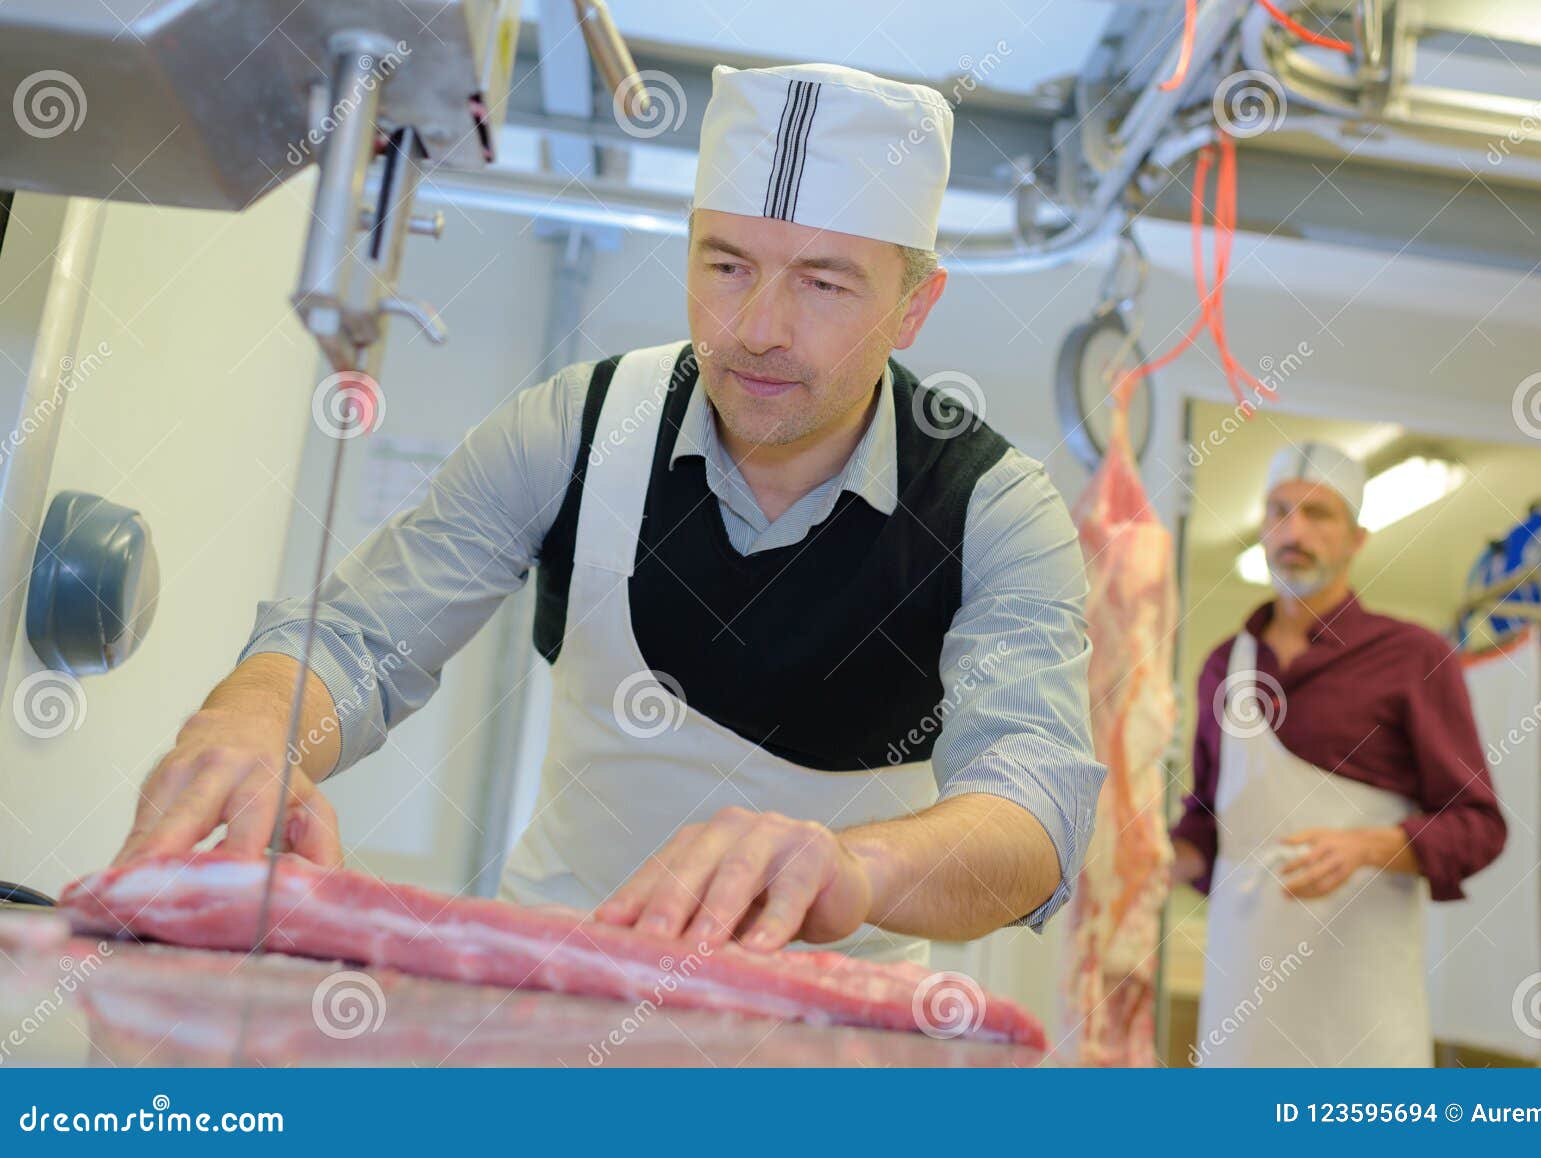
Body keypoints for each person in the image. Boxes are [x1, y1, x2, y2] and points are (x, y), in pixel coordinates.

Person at [114, 62, 1108, 964]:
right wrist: (250, 733)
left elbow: (1030, 814)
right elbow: (364, 640)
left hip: (827, 1037)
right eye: (726, 267)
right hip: (552, 987)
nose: (759, 329)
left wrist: (854, 872)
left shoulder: (990, 511)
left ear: (913, 307)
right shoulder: (574, 428)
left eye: (823, 282)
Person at [1172, 441, 1507, 1065]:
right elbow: (1208, 823)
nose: (1292, 530)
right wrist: (1149, 858)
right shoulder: (1225, 665)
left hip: (1361, 1010)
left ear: (1357, 537)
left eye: (1317, 514)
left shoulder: (1412, 657)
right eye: (1278, 511)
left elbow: (1479, 826)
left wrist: (1370, 847)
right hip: (1241, 1002)